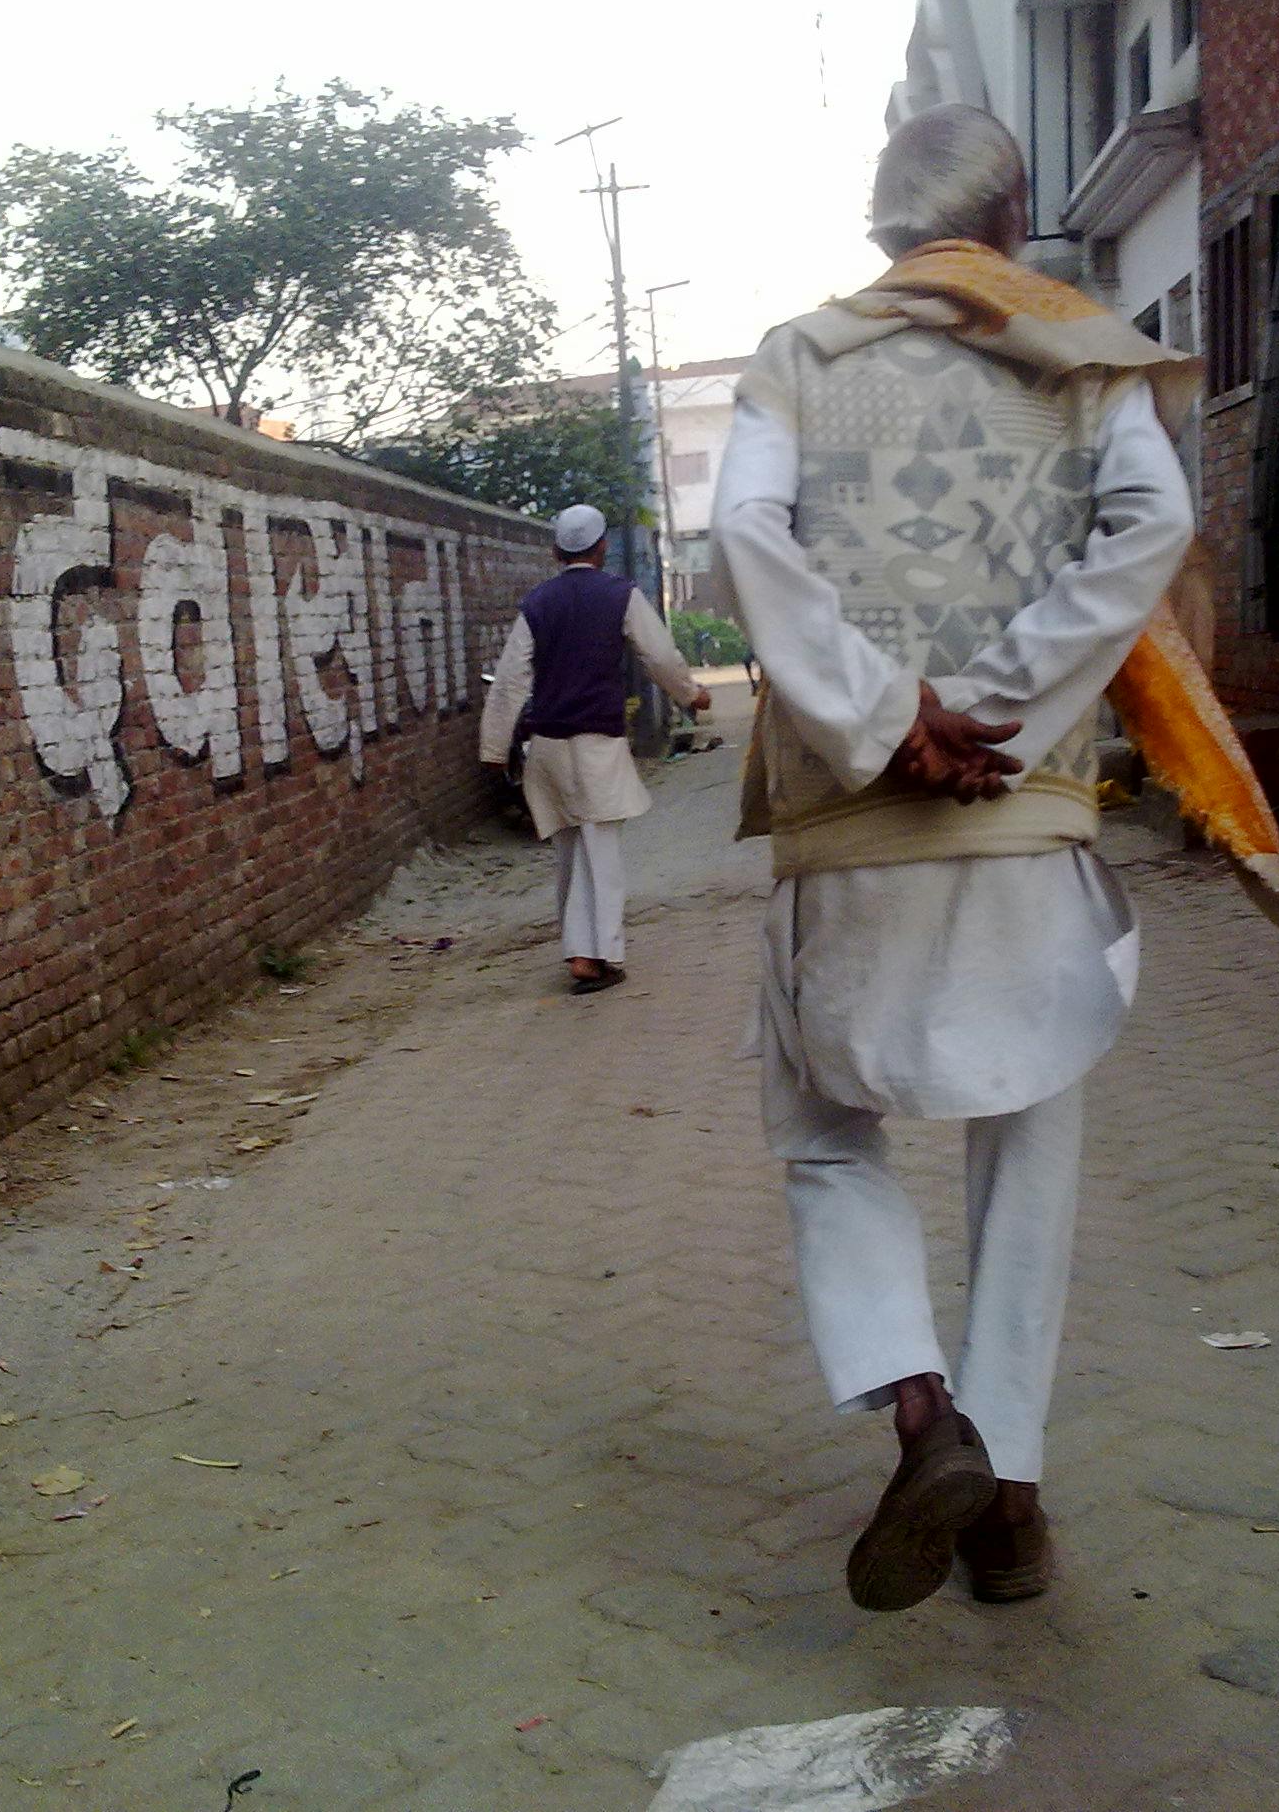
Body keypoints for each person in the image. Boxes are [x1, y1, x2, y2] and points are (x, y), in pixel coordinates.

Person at [715, 103, 1200, 1609]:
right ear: (1013, 213)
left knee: (822, 1125)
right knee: (1030, 1145)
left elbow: (746, 533)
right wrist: (1001, 708)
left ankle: (926, 1419)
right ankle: (1013, 1507)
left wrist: (884, 719)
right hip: (1025, 807)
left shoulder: (799, 357)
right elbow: (1154, 520)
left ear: (883, 229)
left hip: (849, 820)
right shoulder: (1082, 352)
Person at [479, 504, 709, 995]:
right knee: (601, 853)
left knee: (568, 851)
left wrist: (494, 748)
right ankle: (596, 955)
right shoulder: (620, 595)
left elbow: (510, 680)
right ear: (602, 547)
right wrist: (691, 695)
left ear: (555, 551)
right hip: (596, 744)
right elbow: (659, 655)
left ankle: (577, 946)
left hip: (546, 746)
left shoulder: (537, 603)